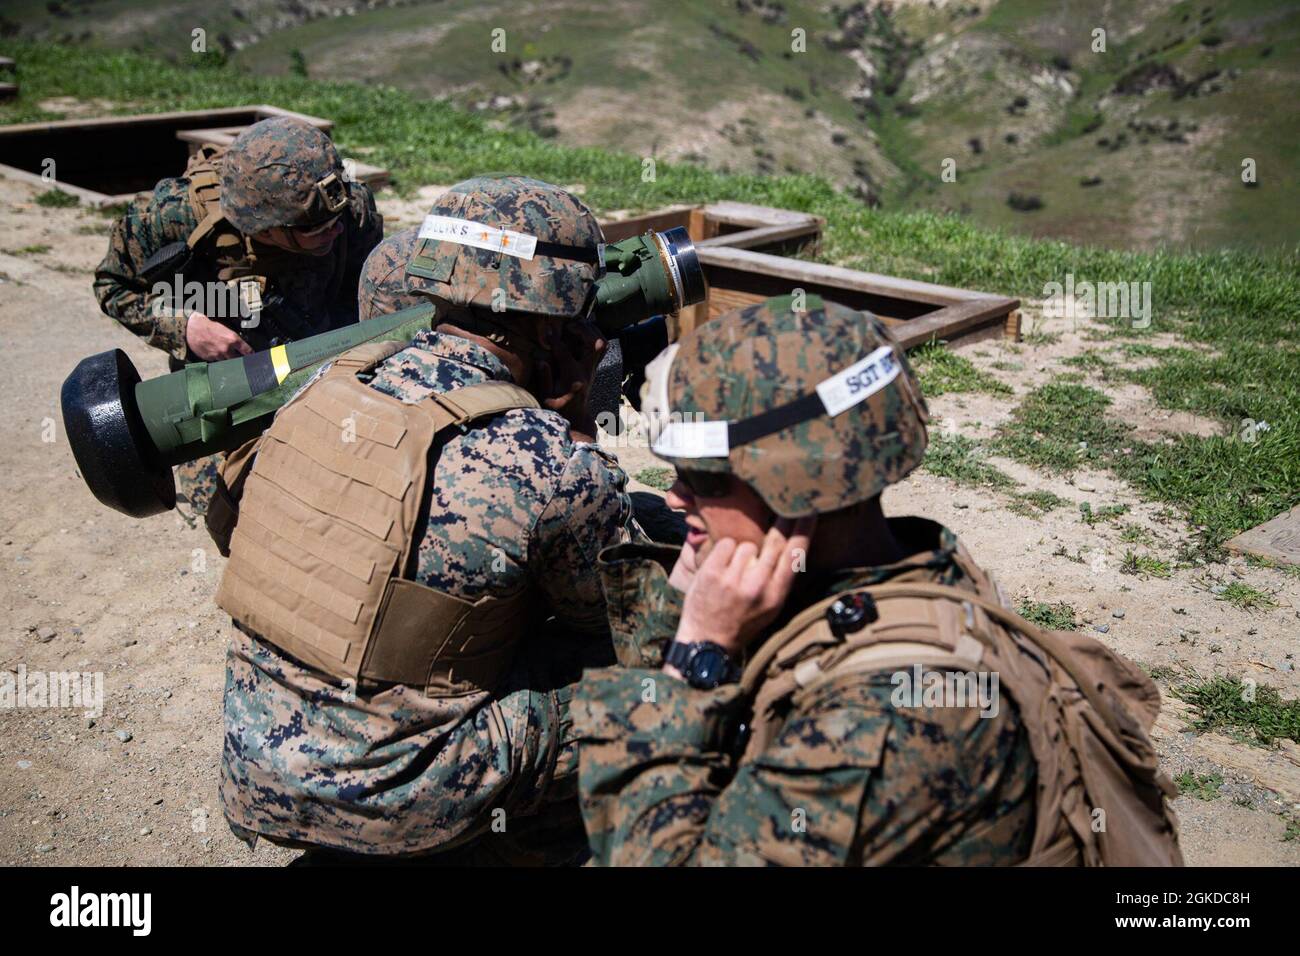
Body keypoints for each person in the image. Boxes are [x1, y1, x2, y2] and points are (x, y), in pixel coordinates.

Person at [571, 293, 1184, 866]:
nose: (675, 500)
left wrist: (694, 656)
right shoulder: (902, 568)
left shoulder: (889, 717)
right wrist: (681, 602)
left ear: (798, 487)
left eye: (702, 479)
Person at [212, 175, 641, 864]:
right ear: (556, 318)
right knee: (654, 674)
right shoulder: (549, 462)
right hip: (396, 801)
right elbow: (620, 616)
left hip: (256, 769)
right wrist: (581, 428)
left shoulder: (326, 384)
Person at [93, 115, 383, 514]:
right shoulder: (171, 216)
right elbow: (112, 286)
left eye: (337, 219)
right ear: (262, 227)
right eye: (315, 229)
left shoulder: (352, 211)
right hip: (224, 385)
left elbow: (363, 294)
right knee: (230, 507)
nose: (335, 232)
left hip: (320, 367)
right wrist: (186, 327)